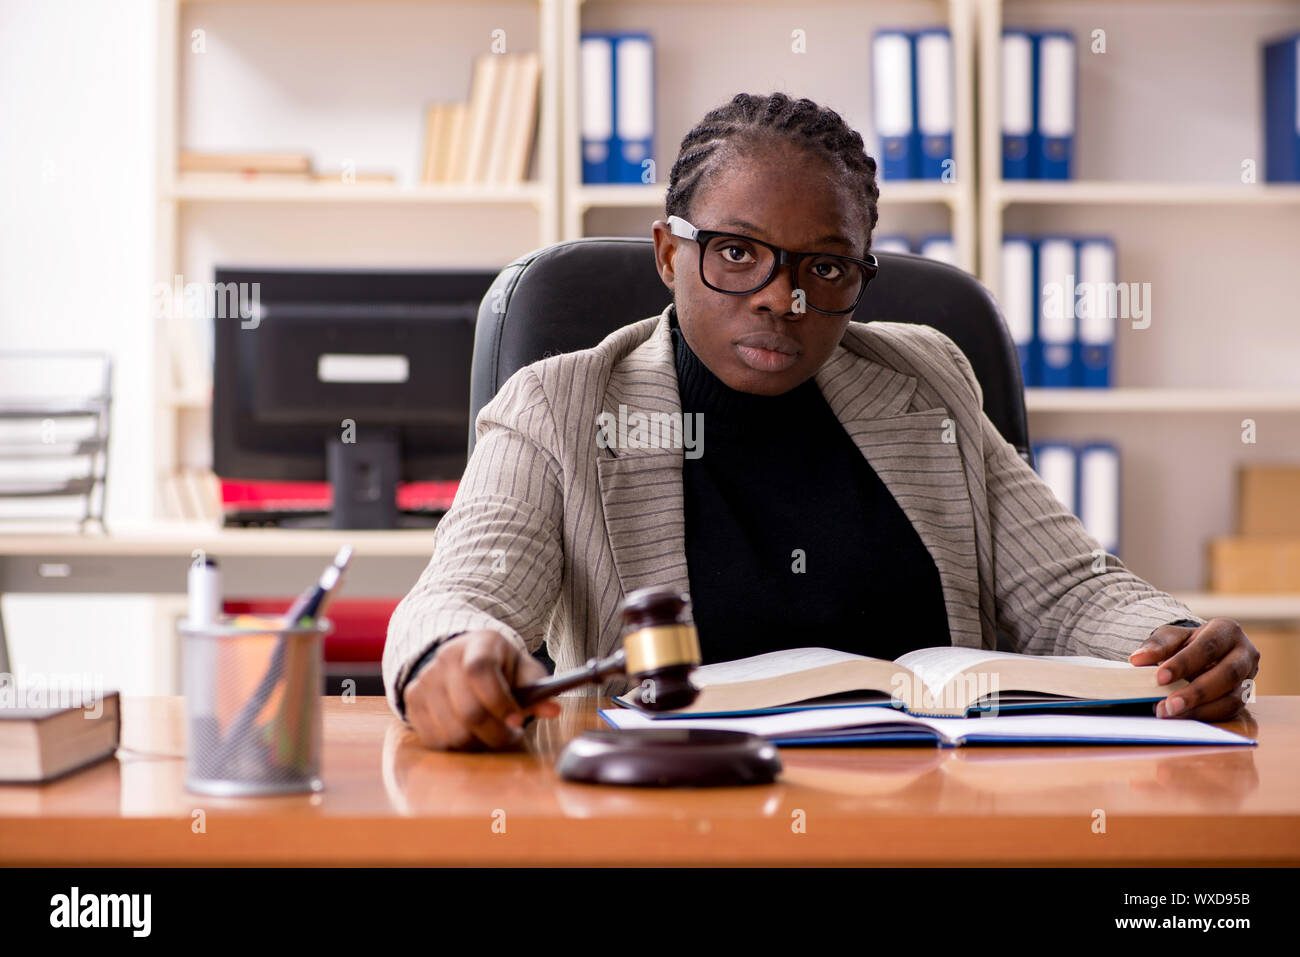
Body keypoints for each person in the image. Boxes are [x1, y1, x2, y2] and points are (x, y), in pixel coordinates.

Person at [384, 92, 1259, 752]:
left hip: (938, 815)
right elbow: (461, 594)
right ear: (668, 253)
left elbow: (1064, 586)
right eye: (736, 252)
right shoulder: (560, 406)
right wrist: (451, 656)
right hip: (678, 821)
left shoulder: (926, 375)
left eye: (824, 267)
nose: (782, 297)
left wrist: (1171, 641)